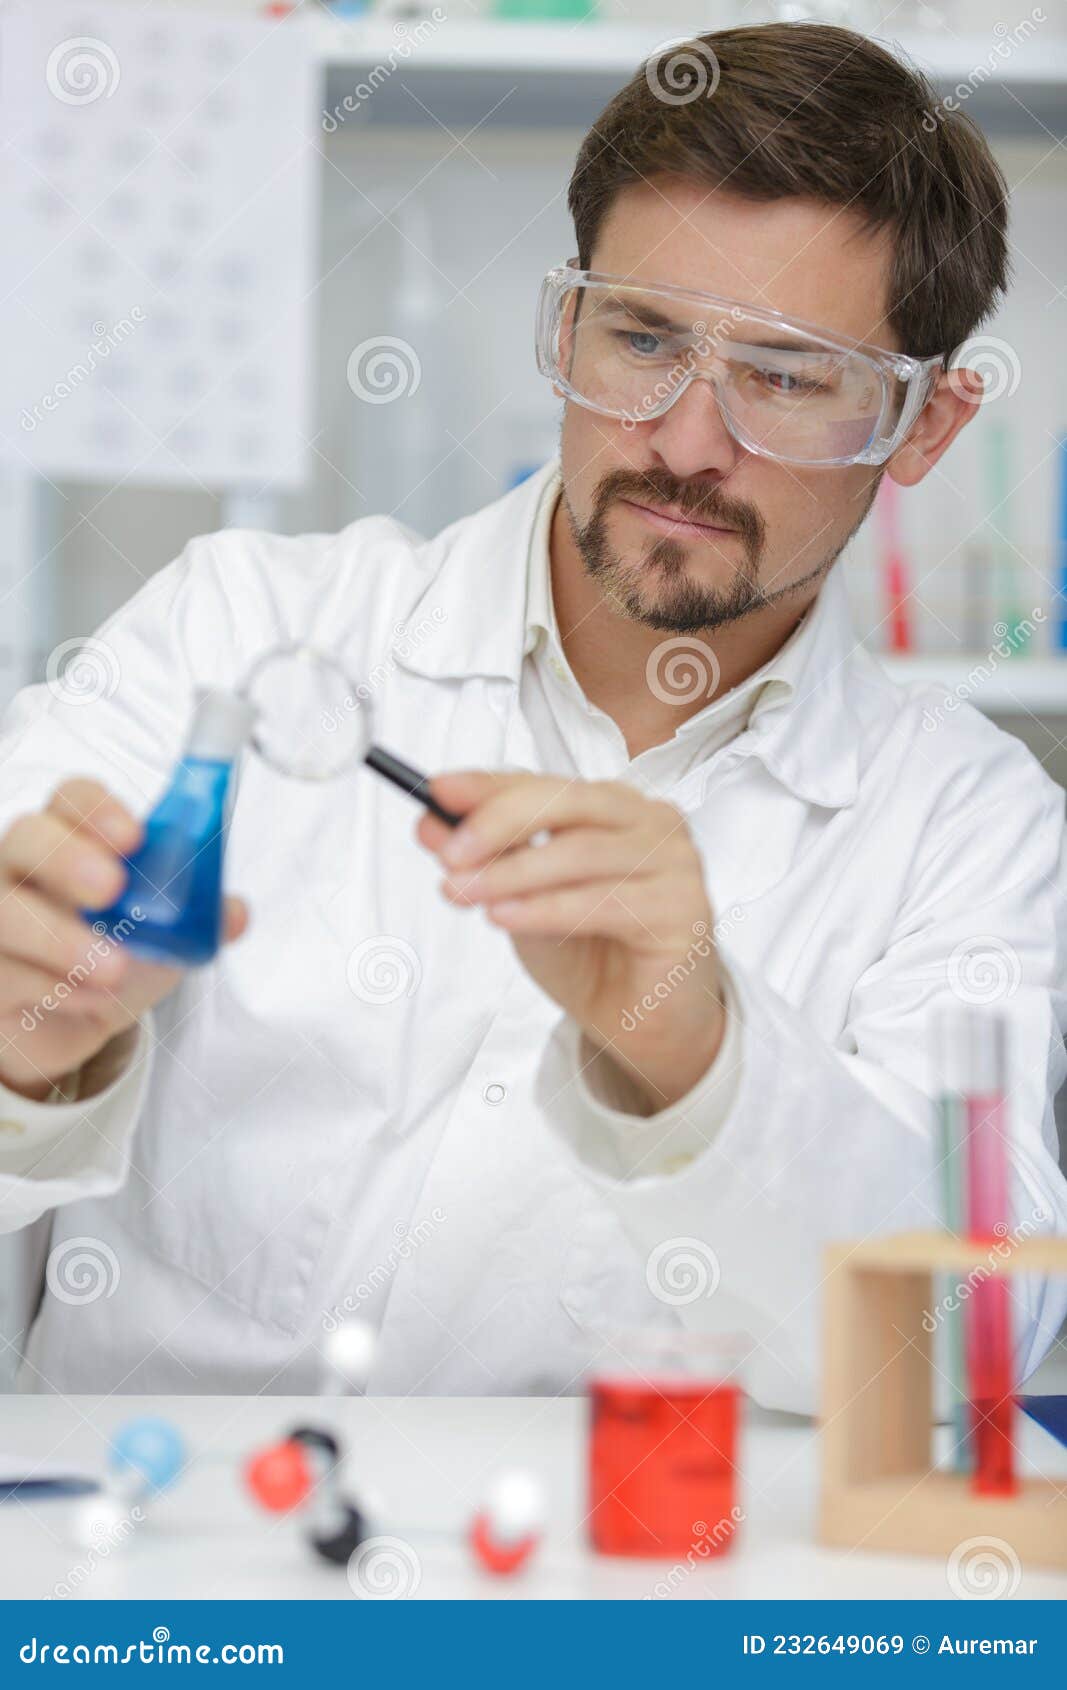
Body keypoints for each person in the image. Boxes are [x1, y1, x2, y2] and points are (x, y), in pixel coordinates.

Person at [0, 23, 1064, 1409]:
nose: (687, 442)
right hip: (153, 1577)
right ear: (564, 324)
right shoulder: (239, 629)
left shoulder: (970, 828)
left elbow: (980, 1332)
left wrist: (700, 1055)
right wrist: (34, 1051)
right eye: (643, 337)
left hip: (622, 1595)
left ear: (924, 425)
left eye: (789, 377)